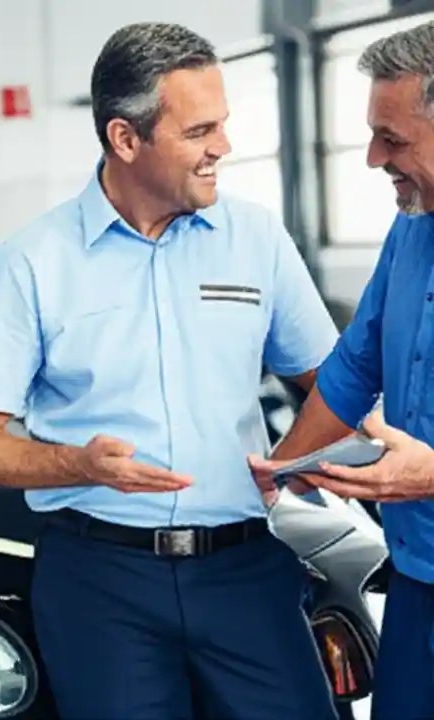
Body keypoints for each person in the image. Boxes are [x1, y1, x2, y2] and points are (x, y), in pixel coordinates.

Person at [0, 22, 341, 720]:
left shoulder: (256, 239)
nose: (223, 146)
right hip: (103, 582)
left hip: (244, 570)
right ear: (125, 139)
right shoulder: (33, 261)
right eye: (199, 131)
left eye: (222, 124)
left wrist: (307, 455)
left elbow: (329, 383)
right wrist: (81, 464)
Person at [248, 21, 434, 720]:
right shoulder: (413, 226)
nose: (373, 158)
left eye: (395, 139)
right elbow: (355, 365)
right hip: (417, 582)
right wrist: (277, 474)